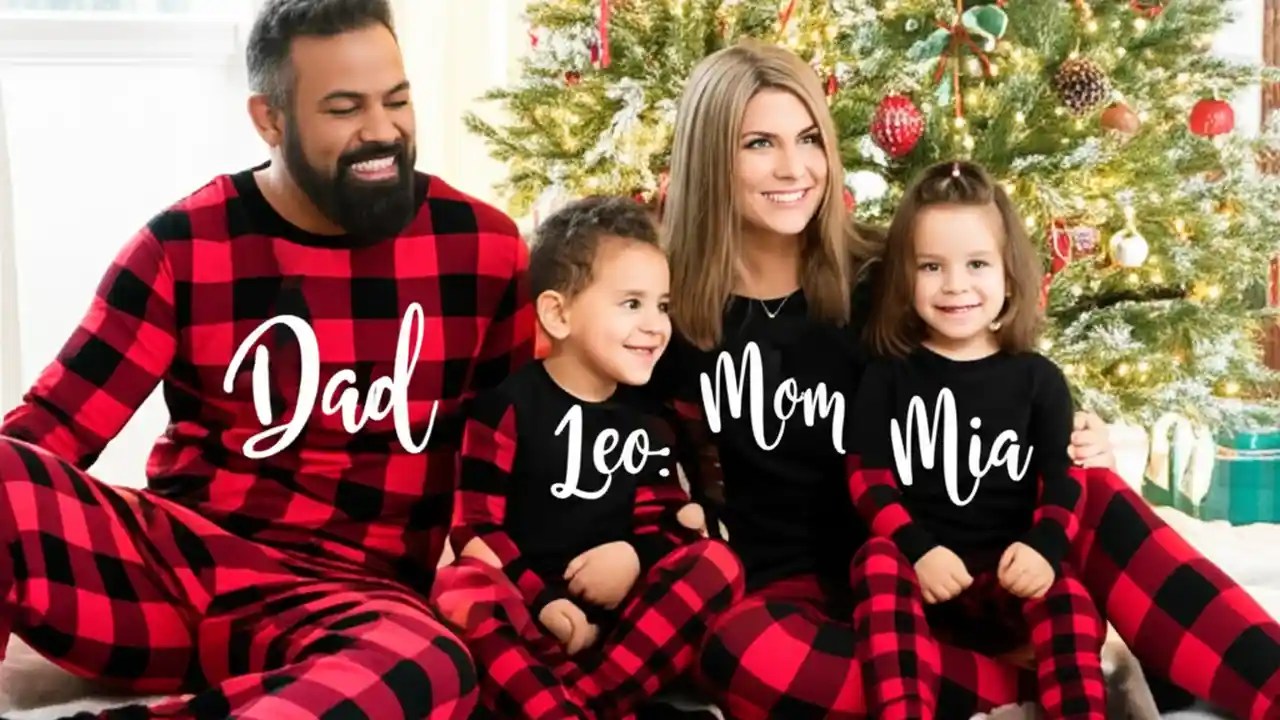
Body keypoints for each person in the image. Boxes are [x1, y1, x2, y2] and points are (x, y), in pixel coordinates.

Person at [650, 39, 1280, 719]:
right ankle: (1057, 689)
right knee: (738, 653)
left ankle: (1265, 676)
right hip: (811, 591)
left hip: (960, 561)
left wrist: (1074, 434)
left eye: (808, 139)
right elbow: (632, 458)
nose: (794, 167)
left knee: (1090, 492)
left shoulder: (885, 274)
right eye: (759, 144)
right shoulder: (661, 310)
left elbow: (999, 384)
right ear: (710, 158)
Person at [0, 1, 533, 717]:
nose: (382, 131)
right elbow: (51, 428)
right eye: (345, 108)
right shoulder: (182, 244)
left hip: (350, 600)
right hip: (174, 575)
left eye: (397, 100)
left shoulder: (484, 250)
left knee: (432, 668)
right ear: (269, 119)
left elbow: (515, 463)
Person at [431, 196, 743, 720]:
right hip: (529, 617)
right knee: (458, 588)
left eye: (662, 306)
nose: (656, 325)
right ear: (558, 313)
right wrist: (544, 600)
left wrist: (635, 557)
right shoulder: (507, 408)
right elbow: (476, 528)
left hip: (619, 636)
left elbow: (665, 517)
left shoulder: (648, 422)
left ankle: (581, 704)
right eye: (632, 304)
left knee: (718, 563)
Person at [847, 159, 1106, 719]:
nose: (955, 285)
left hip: (1008, 576)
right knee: (875, 562)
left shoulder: (1038, 379)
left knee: (1069, 596)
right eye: (931, 266)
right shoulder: (888, 375)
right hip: (922, 578)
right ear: (904, 278)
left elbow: (1063, 479)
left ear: (1010, 275)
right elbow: (868, 481)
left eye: (978, 264)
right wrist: (918, 549)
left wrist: (1045, 548)